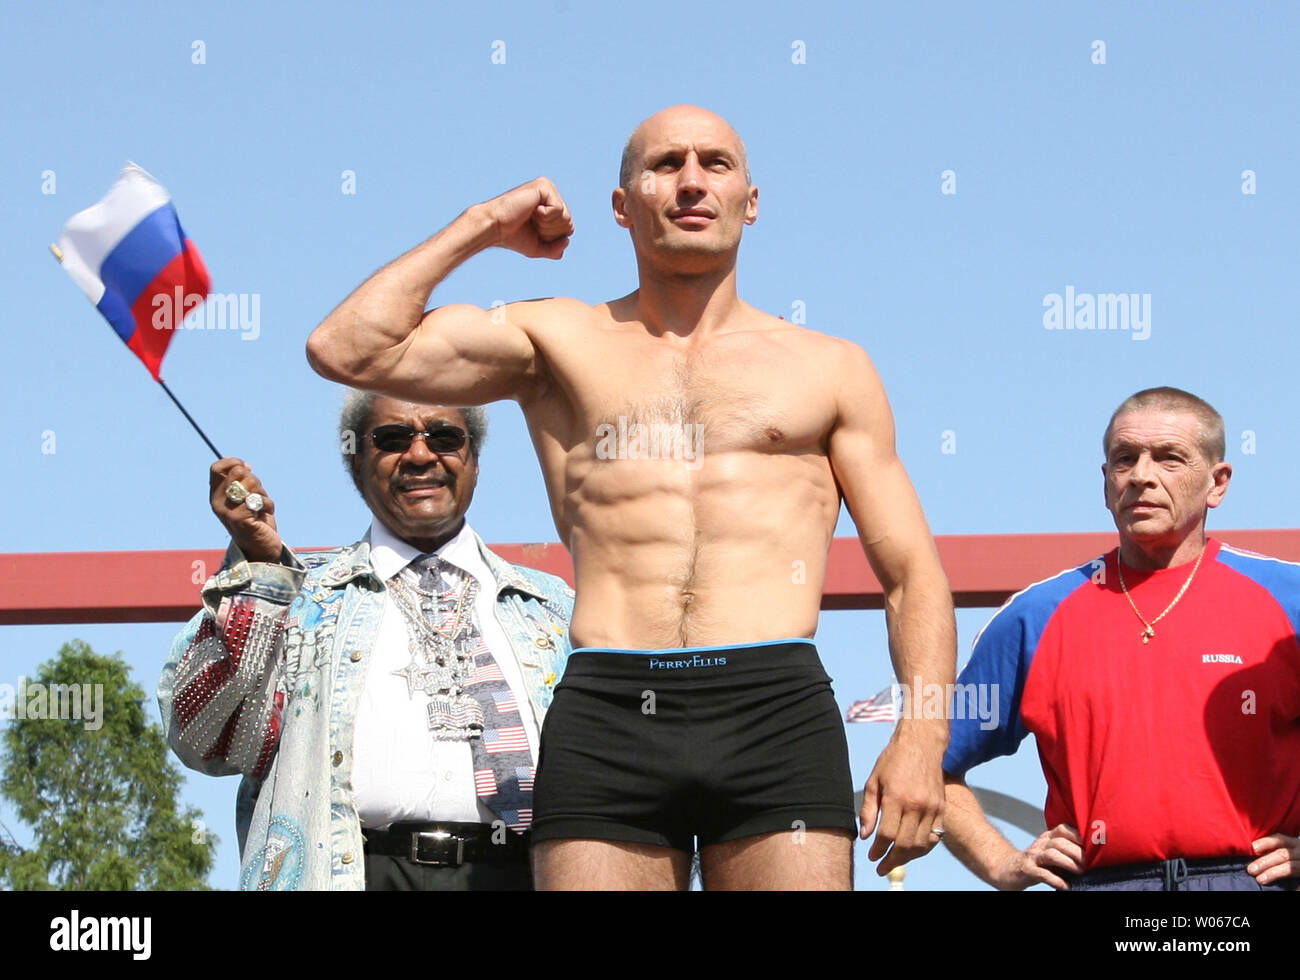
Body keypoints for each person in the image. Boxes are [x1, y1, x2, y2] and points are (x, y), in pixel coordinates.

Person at [305, 104, 956, 890]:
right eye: (664, 164)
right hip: (611, 708)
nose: (690, 181)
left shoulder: (830, 367)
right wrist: (484, 223)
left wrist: (922, 737)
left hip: (774, 706)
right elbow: (345, 346)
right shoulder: (558, 342)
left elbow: (911, 574)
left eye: (715, 163)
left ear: (751, 200)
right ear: (623, 204)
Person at [158, 393, 574, 890]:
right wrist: (261, 571)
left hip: (525, 876)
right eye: (393, 439)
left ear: (475, 462)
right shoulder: (299, 596)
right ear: (356, 465)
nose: (420, 455)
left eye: (444, 437)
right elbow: (205, 742)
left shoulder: (555, 609)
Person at [941, 386, 1300, 891]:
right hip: (1103, 884)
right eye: (1124, 459)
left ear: (1217, 483)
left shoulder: (1289, 599)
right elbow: (927, 766)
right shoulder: (1035, 616)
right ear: (1105, 481)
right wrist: (1000, 862)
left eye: (1169, 459)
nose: (1142, 476)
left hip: (1252, 884)